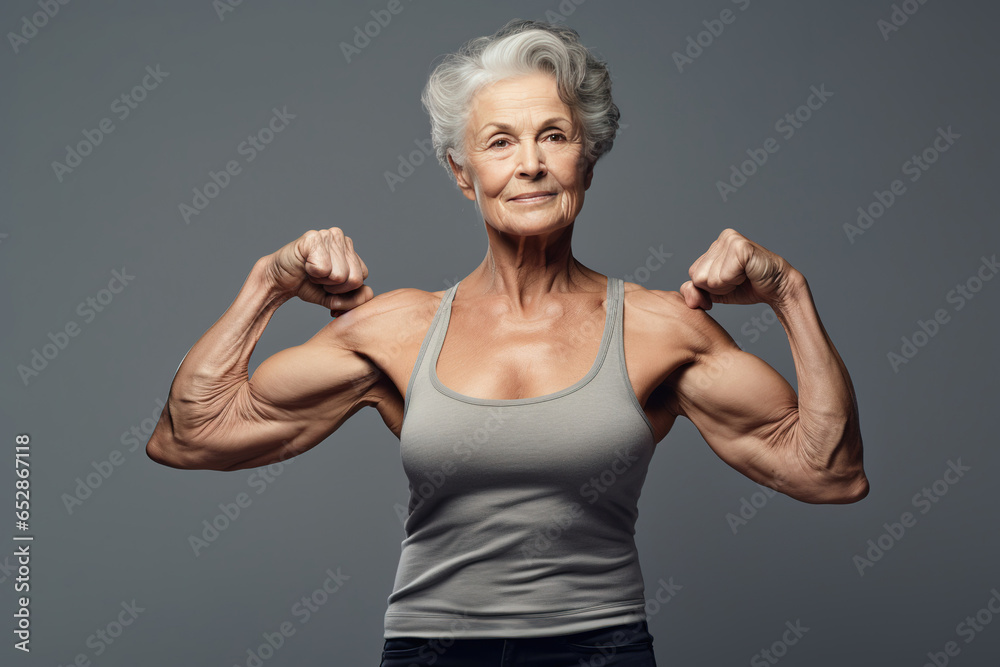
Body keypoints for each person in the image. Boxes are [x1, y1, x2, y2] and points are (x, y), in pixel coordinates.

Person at [146, 18, 869, 667]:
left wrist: (789, 292)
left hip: (602, 644)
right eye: (500, 142)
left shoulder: (659, 328)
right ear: (464, 175)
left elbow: (827, 470)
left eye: (553, 136)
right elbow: (191, 432)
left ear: (586, 160)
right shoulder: (399, 330)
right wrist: (267, 282)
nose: (530, 163)